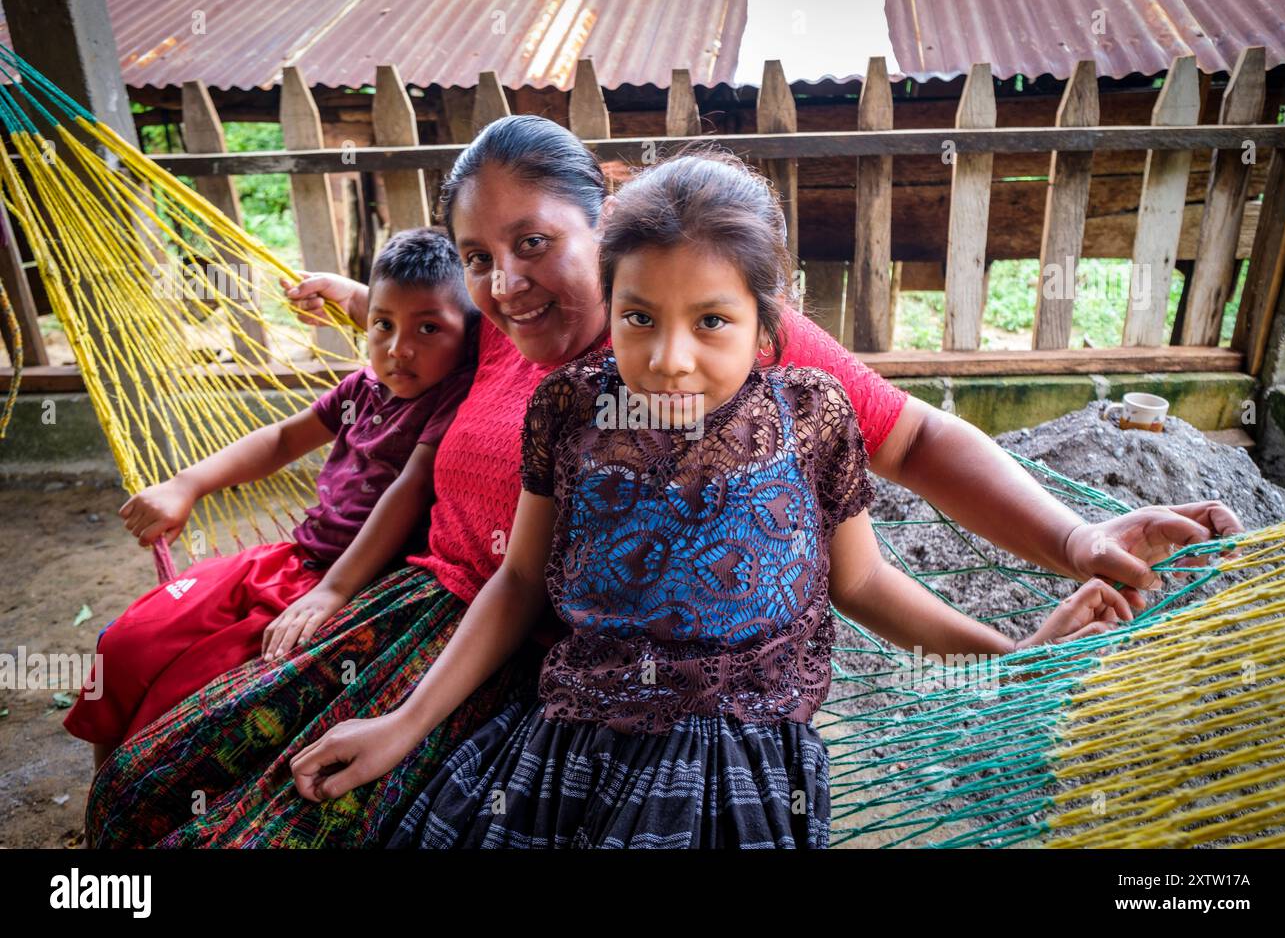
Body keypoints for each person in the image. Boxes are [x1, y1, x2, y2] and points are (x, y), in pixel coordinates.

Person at [84, 115, 1242, 849]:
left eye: (533, 243)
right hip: (417, 630)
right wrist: (333, 576)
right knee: (152, 769)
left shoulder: (736, 350)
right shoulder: (528, 360)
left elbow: (912, 461)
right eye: (482, 257)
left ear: (607, 220)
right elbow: (403, 369)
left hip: (559, 693)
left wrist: (1078, 538)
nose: (506, 281)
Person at [290, 150, 1136, 849]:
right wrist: (404, 723)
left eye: (712, 322)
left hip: (739, 773)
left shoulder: (812, 417)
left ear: (769, 327)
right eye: (639, 317)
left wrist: (1013, 656)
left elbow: (865, 584)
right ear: (609, 303)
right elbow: (519, 582)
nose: (668, 357)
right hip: (572, 743)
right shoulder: (567, 410)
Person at [65, 228, 478, 771]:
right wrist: (185, 484)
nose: (399, 348)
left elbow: (410, 489)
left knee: (188, 702)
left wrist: (333, 590)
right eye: (383, 326)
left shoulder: (455, 396)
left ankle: (137, 806)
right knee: (126, 645)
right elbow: (283, 439)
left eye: (428, 329)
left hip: (357, 588)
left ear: (470, 337)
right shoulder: (360, 389)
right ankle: (106, 802)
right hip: (287, 563)